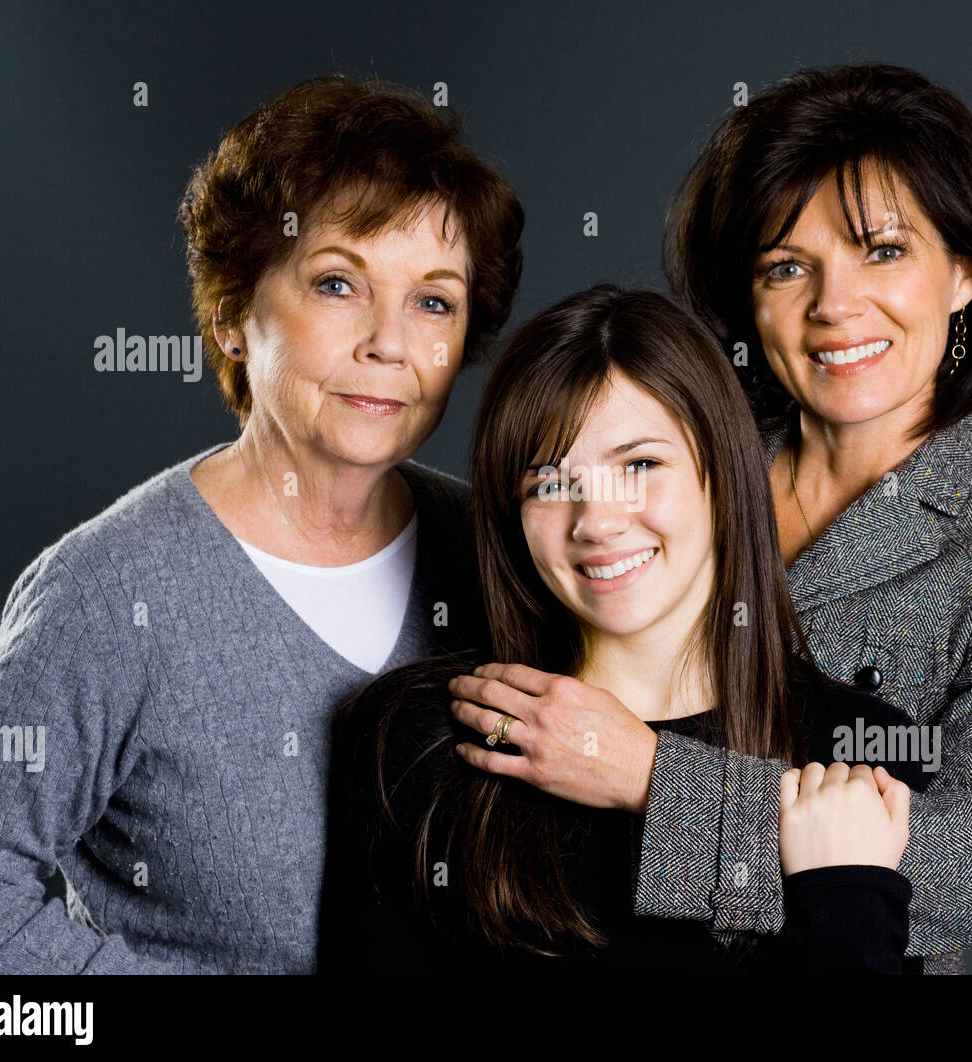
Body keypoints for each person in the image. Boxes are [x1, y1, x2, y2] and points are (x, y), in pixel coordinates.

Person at [442, 64, 972, 973]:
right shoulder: (672, 460)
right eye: (787, 266)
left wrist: (647, 775)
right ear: (746, 299)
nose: (834, 306)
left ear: (964, 272)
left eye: (883, 251)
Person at [0, 76, 523, 973]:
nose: (390, 343)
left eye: (433, 301)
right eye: (339, 283)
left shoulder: (506, 552)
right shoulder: (109, 592)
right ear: (231, 317)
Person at [320, 286, 927, 974]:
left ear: (721, 474)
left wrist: (839, 898)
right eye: (549, 481)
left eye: (639, 465)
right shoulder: (419, 740)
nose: (597, 521)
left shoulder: (859, 757)